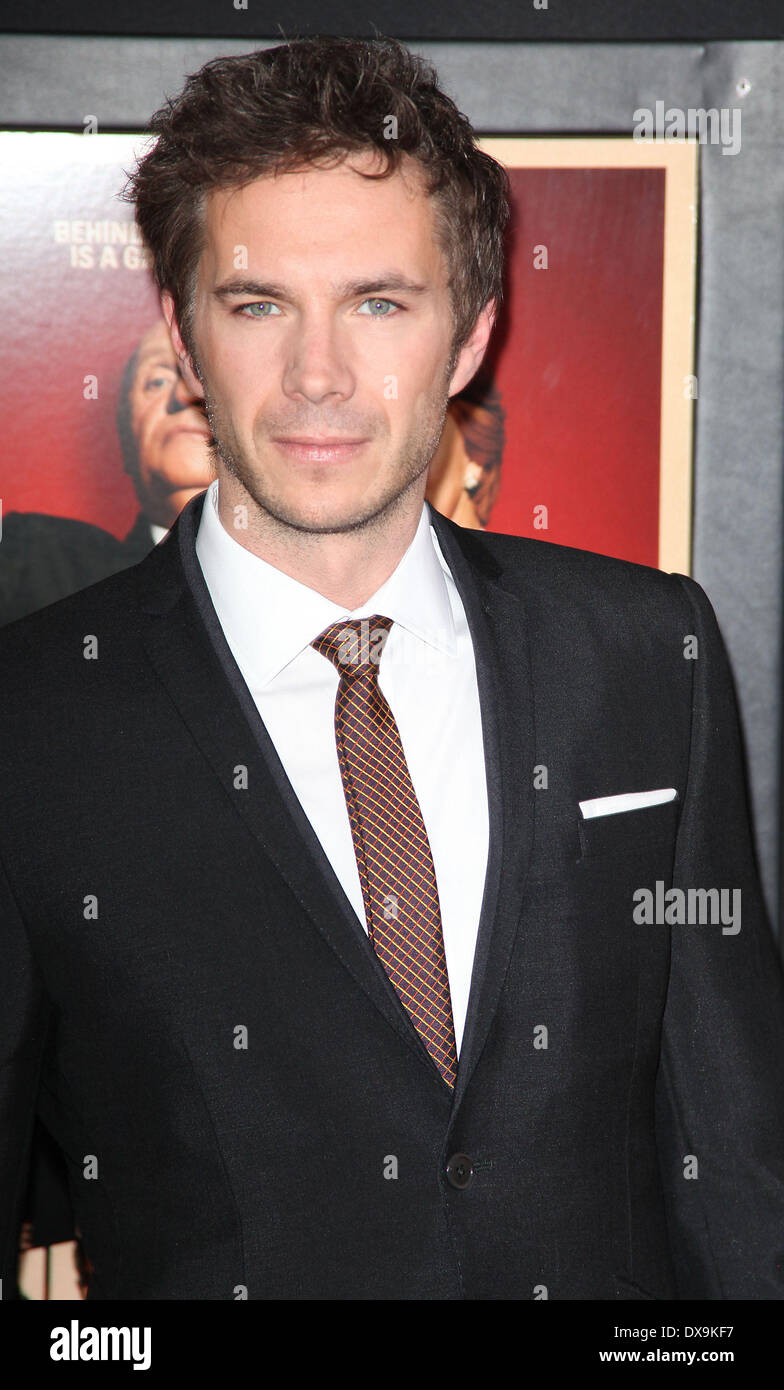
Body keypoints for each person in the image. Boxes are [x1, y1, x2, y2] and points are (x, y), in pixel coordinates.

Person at [1, 34, 783, 1303]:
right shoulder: (32, 717)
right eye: (258, 306)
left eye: (379, 302)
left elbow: (737, 1161)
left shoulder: (645, 652)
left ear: (470, 335)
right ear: (185, 337)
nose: (318, 377)